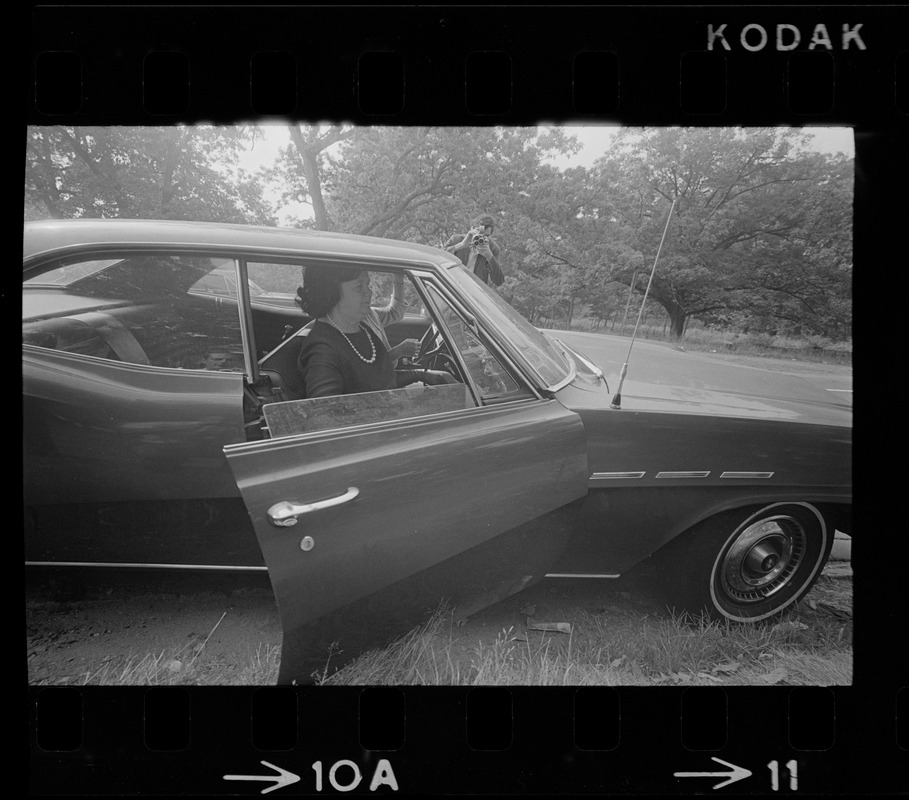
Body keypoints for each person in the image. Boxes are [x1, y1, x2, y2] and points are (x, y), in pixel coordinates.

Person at [295, 265, 457, 398]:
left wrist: (419, 375)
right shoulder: (322, 350)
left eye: (368, 285)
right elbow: (324, 418)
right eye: (359, 286)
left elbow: (380, 379)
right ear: (330, 292)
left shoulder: (362, 330)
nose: (369, 292)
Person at [444, 213, 504, 287]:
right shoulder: (456, 240)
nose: (481, 238)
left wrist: (490, 257)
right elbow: (436, 258)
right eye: (480, 234)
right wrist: (460, 245)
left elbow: (498, 281)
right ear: (472, 229)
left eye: (486, 236)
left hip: (474, 292)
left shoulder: (493, 249)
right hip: (453, 287)